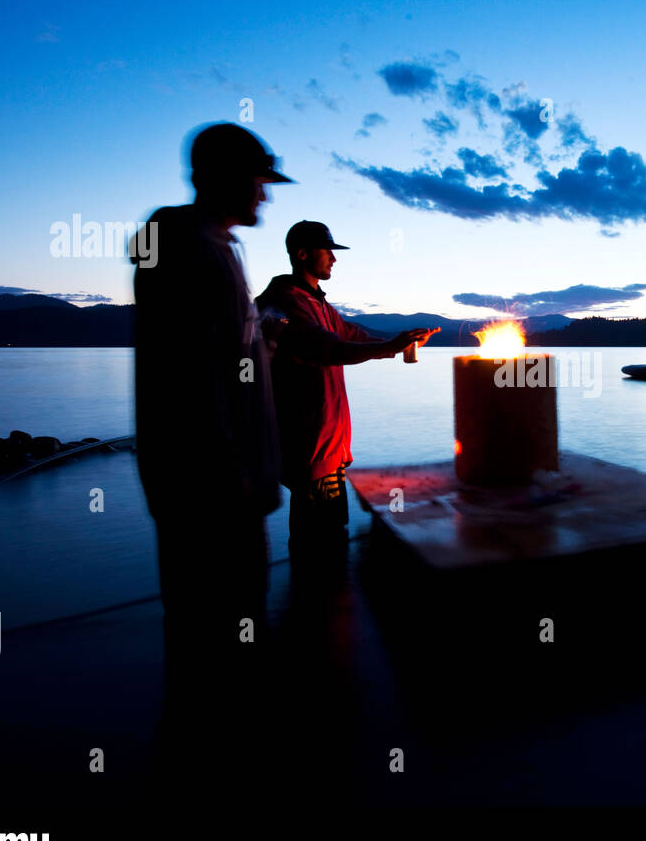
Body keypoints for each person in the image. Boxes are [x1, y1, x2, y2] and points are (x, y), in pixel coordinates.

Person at [129, 122, 290, 782]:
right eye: (258, 180)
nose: (266, 196)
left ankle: (213, 757)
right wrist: (238, 474)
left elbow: (225, 354)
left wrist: (263, 337)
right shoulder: (186, 249)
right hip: (211, 485)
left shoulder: (213, 247)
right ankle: (218, 768)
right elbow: (194, 378)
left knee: (218, 629)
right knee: (217, 632)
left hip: (218, 477)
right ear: (221, 176)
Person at [256, 220, 436, 563]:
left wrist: (398, 343)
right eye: (328, 252)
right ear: (303, 253)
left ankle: (318, 608)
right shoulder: (284, 306)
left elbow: (349, 335)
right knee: (319, 545)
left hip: (330, 448)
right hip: (310, 450)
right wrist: (389, 347)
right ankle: (316, 609)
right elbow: (329, 349)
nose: (334, 260)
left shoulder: (316, 304)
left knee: (330, 538)